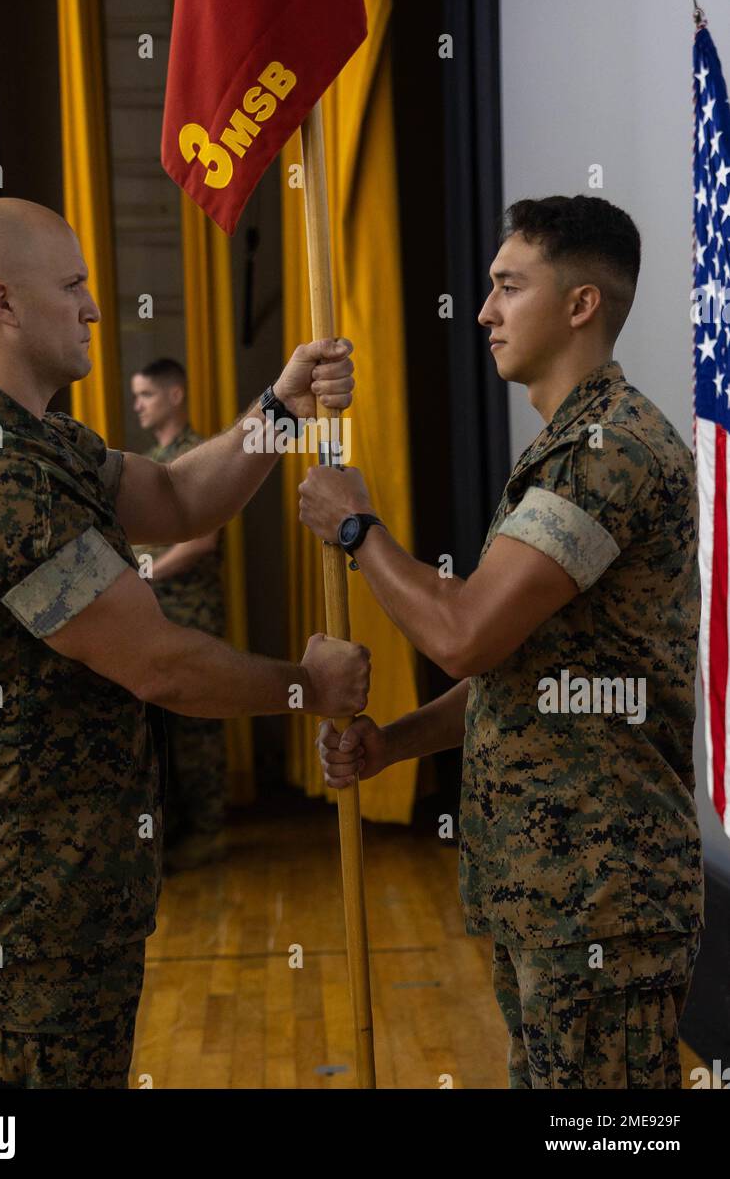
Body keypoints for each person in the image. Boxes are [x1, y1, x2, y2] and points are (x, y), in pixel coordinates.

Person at [0, 196, 369, 1090]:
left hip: (64, 891)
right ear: (2, 302)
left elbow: (181, 496)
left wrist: (283, 408)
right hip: (15, 909)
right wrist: (307, 685)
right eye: (71, 286)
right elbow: (160, 663)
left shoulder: (36, 440)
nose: (95, 309)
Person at [301, 194, 704, 1090]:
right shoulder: (566, 446)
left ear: (580, 305)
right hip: (549, 890)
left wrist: (360, 532)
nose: (484, 311)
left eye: (508, 286)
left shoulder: (609, 451)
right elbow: (517, 672)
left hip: (602, 895)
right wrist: (392, 745)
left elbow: (465, 634)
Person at [130, 359, 228, 871]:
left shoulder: (197, 456)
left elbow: (202, 542)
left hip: (191, 614)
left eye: (145, 393)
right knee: (164, 731)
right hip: (159, 620)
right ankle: (180, 830)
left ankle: (210, 832)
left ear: (174, 395)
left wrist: (143, 576)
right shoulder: (151, 461)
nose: (138, 404)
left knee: (199, 726)